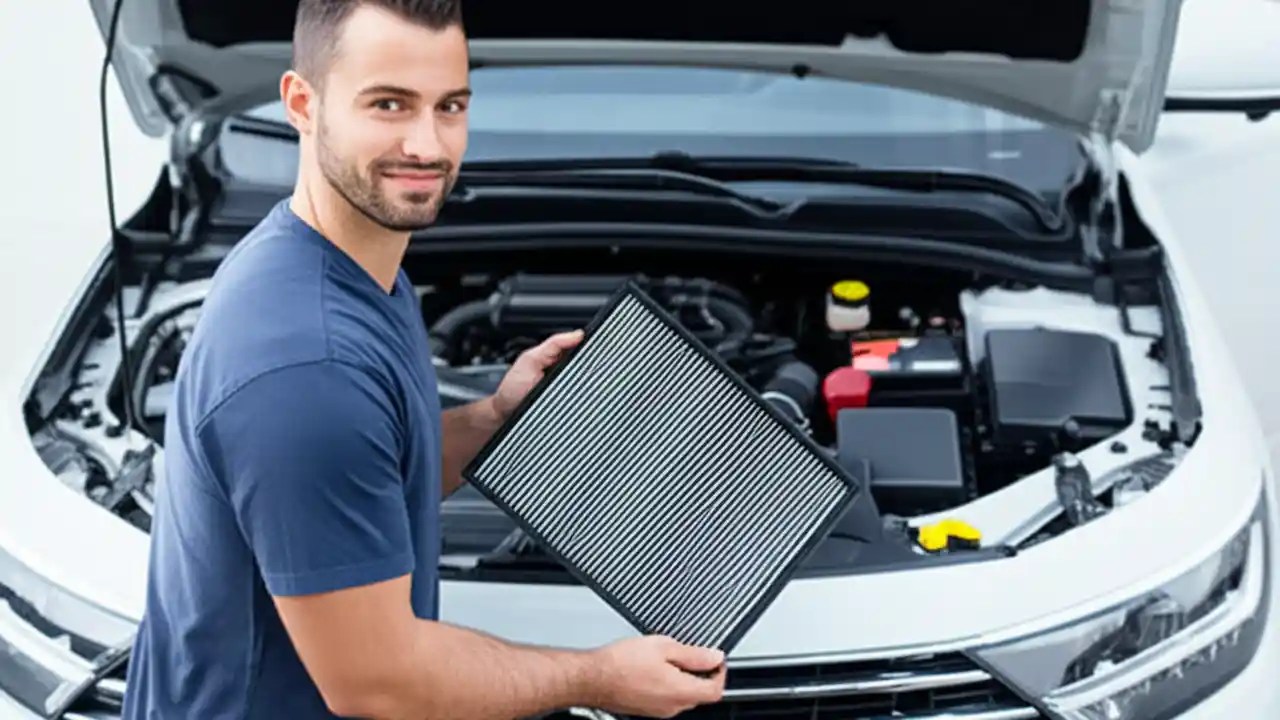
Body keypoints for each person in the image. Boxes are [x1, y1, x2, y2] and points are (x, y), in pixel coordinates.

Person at [120, 1, 728, 718]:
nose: (427, 144)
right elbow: (381, 683)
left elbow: (374, 473)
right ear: (302, 104)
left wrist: (495, 418)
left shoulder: (351, 267)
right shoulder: (306, 366)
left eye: (450, 106)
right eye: (388, 104)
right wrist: (597, 677)